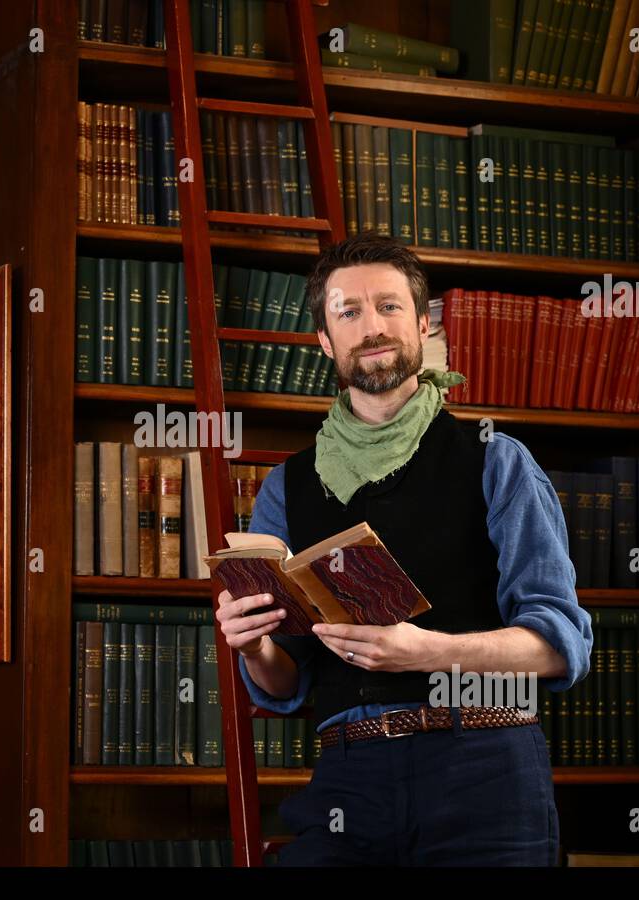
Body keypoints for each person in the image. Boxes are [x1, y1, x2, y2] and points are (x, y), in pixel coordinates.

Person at [216, 234, 592, 866]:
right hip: (348, 773)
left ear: (422, 324)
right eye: (349, 312)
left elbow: (561, 649)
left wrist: (429, 653)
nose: (373, 327)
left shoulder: (497, 461)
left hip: (484, 765)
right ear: (325, 343)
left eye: (389, 307)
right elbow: (286, 682)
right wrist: (253, 646)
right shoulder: (286, 487)